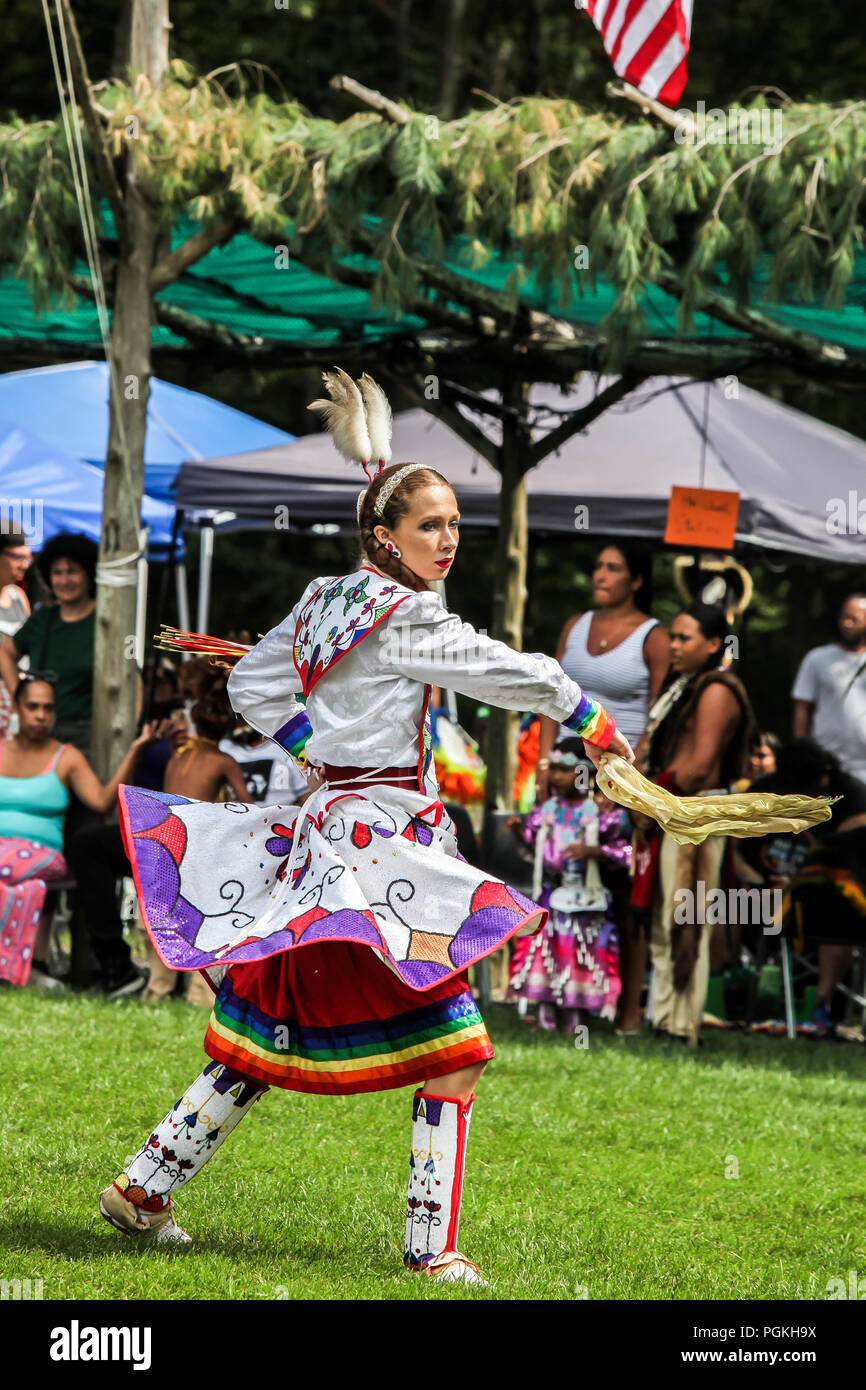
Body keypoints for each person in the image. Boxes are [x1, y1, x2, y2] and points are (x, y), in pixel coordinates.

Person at [97, 368, 635, 1282]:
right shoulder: (404, 615)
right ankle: (431, 1252)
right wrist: (589, 715)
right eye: (430, 526)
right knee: (456, 1048)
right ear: (385, 536)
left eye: (454, 525)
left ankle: (143, 1189)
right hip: (378, 852)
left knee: (268, 1023)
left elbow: (252, 684)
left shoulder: (325, 597)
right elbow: (505, 670)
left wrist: (312, 747)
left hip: (327, 837)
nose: (447, 540)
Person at [537, 540, 670, 1037]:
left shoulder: (653, 637)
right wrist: (543, 764)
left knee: (621, 889)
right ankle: (559, 998)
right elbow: (549, 693)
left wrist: (626, 780)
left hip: (619, 771)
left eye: (613, 568)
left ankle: (629, 1011)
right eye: (598, 566)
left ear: (636, 580)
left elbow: (658, 715)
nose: (600, 574)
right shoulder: (575, 625)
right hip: (564, 773)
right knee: (559, 881)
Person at [632, 602, 754, 1046]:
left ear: (713, 643)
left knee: (688, 920)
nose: (674, 645)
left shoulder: (717, 690)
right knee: (666, 920)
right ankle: (664, 1019)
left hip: (695, 815)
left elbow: (700, 768)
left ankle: (682, 1025)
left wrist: (650, 799)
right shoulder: (684, 687)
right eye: (673, 636)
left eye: (685, 638)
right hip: (674, 811)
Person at [0, 673, 163, 990]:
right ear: (17, 707)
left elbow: (101, 801)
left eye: (48, 708)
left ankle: (14, 967)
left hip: (39, 853)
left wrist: (134, 751)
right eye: (33, 706)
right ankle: (24, 966)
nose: (40, 715)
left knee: (7, 865)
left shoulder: (66, 757)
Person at [736, 739, 866, 1035]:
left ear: (825, 775)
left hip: (823, 899)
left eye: (808, 789)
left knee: (839, 915)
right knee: (705, 901)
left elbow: (846, 871)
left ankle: (820, 1005)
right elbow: (734, 851)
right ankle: (727, 989)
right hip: (759, 896)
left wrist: (794, 886)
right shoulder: (765, 788)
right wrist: (752, 881)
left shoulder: (854, 799)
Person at [506, 741, 631, 1033]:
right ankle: (546, 1010)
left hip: (585, 897)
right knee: (546, 950)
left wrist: (595, 851)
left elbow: (625, 851)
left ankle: (577, 1012)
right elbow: (536, 847)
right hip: (551, 896)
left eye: (564, 770)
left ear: (585, 773)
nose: (556, 777)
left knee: (579, 952)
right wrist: (519, 831)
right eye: (554, 769)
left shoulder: (597, 811)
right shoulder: (546, 810)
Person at [0, 532, 98, 754]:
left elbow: (131, 676)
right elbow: (5, 653)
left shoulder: (105, 620)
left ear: (88, 574)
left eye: (72, 571)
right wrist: (20, 697)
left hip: (88, 735)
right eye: (57, 573)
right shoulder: (43, 618)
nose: (64, 580)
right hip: (40, 731)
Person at [792, 594, 866, 791]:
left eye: (854, 619)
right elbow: (802, 709)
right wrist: (802, 752)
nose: (847, 624)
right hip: (827, 765)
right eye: (844, 617)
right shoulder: (818, 659)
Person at [0, 531, 33, 741]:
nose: (24, 565)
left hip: (19, 699)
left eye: (27, 558)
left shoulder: (17, 596)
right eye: (17, 557)